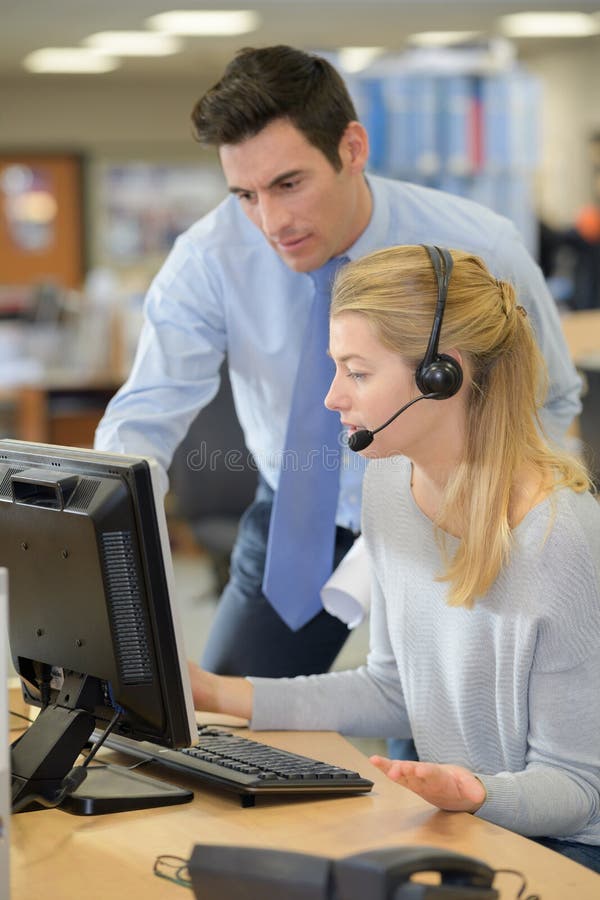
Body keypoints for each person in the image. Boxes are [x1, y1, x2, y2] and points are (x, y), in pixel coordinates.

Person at [94, 45, 581, 685]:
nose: (271, 221)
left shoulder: (476, 245)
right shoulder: (210, 258)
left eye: (289, 184)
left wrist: (513, 521)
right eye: (245, 193)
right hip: (301, 513)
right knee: (225, 719)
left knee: (443, 749)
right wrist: (106, 524)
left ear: (352, 148)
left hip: (452, 513)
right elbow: (147, 412)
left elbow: (551, 399)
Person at [187, 244, 600, 873]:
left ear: (442, 376)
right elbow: (394, 689)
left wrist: (478, 793)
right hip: (465, 828)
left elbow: (576, 789)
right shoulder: (390, 483)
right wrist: (223, 692)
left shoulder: (561, 540)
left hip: (563, 851)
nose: (331, 398)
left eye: (356, 372)